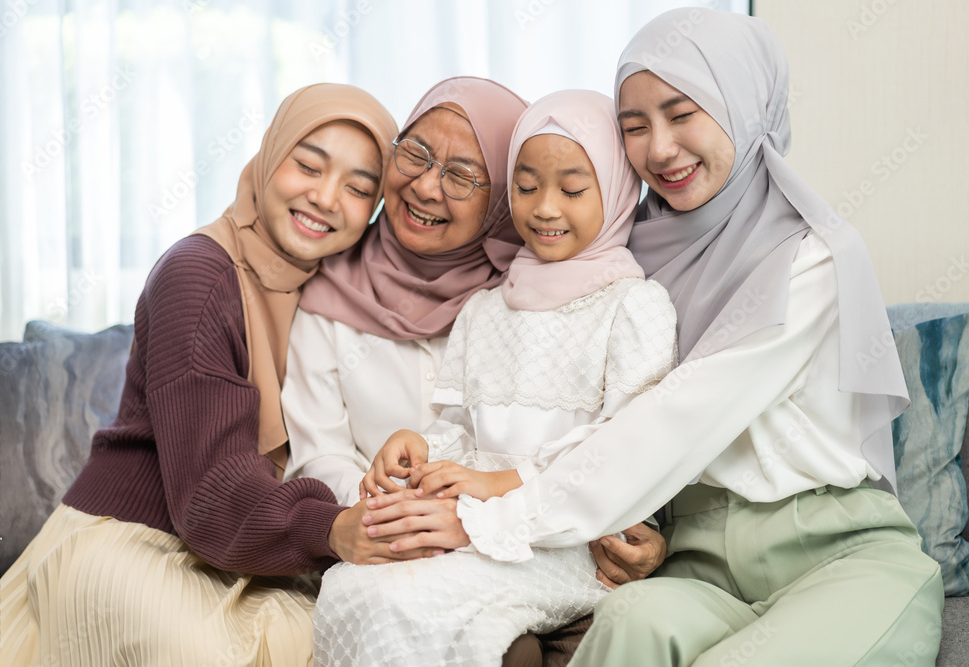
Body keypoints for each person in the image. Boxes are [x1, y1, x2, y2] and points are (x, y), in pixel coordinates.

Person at [365, 9, 945, 667]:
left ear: (744, 103)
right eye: (634, 126)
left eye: (683, 113)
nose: (660, 148)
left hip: (837, 556)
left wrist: (486, 518)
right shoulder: (621, 254)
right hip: (696, 565)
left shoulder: (809, 262)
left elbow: (672, 422)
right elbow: (595, 416)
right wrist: (642, 534)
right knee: (627, 626)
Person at [0, 83, 405, 666]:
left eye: (358, 189)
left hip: (236, 552)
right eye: (308, 165)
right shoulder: (197, 277)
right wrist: (332, 528)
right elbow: (209, 494)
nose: (327, 198)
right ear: (270, 157)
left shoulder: (333, 291)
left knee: (377, 637)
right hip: (132, 543)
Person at [282, 78, 667, 665]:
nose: (428, 187)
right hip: (424, 526)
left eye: (463, 174)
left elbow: (633, 446)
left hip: (546, 532)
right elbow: (455, 432)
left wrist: (482, 501)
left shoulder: (598, 299)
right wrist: (404, 480)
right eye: (414, 154)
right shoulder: (492, 307)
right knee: (369, 594)